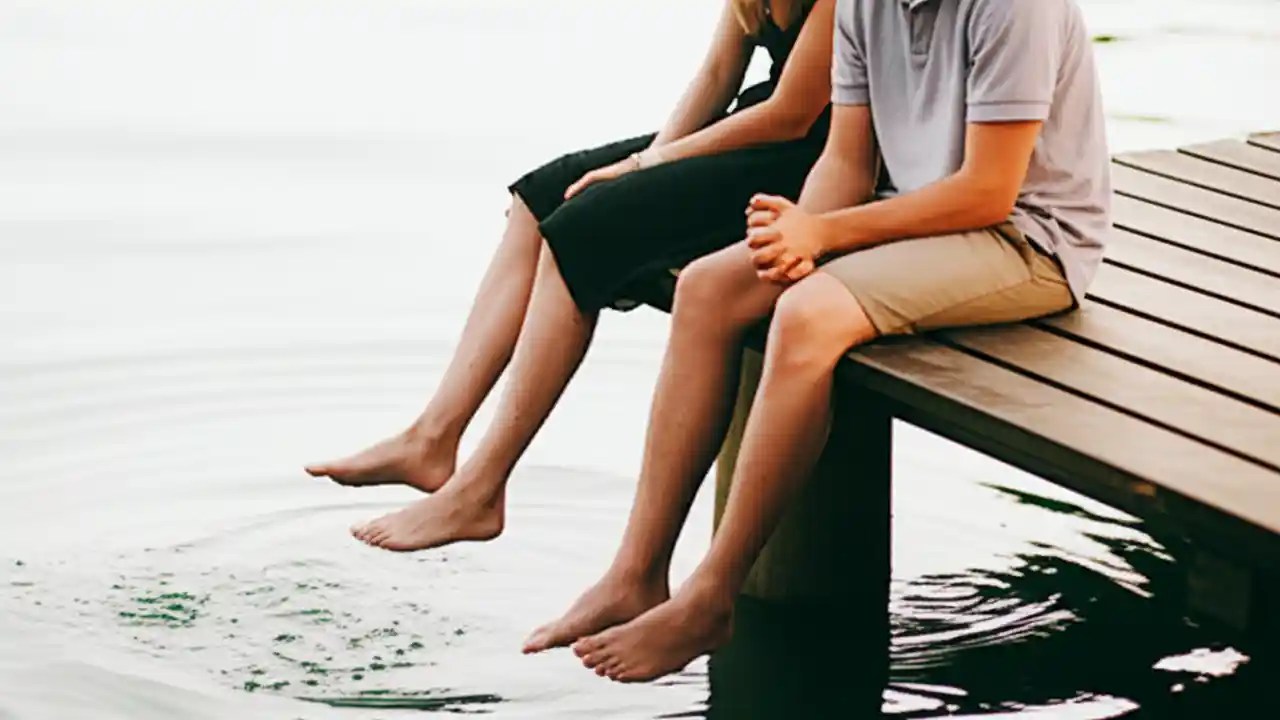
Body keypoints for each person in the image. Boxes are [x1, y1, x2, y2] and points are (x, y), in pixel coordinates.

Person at [553, 0, 1111, 681]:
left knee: (809, 314)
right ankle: (636, 573)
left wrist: (826, 239)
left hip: (1028, 239)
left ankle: (713, 595)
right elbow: (847, 162)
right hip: (909, 214)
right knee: (708, 289)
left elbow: (989, 192)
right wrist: (797, 233)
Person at [304, 0, 836, 552]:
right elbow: (717, 76)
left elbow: (791, 114)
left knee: (583, 232)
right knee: (542, 197)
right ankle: (433, 438)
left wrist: (640, 171)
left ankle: (481, 490)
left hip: (813, 166)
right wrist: (653, 160)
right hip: (758, 133)